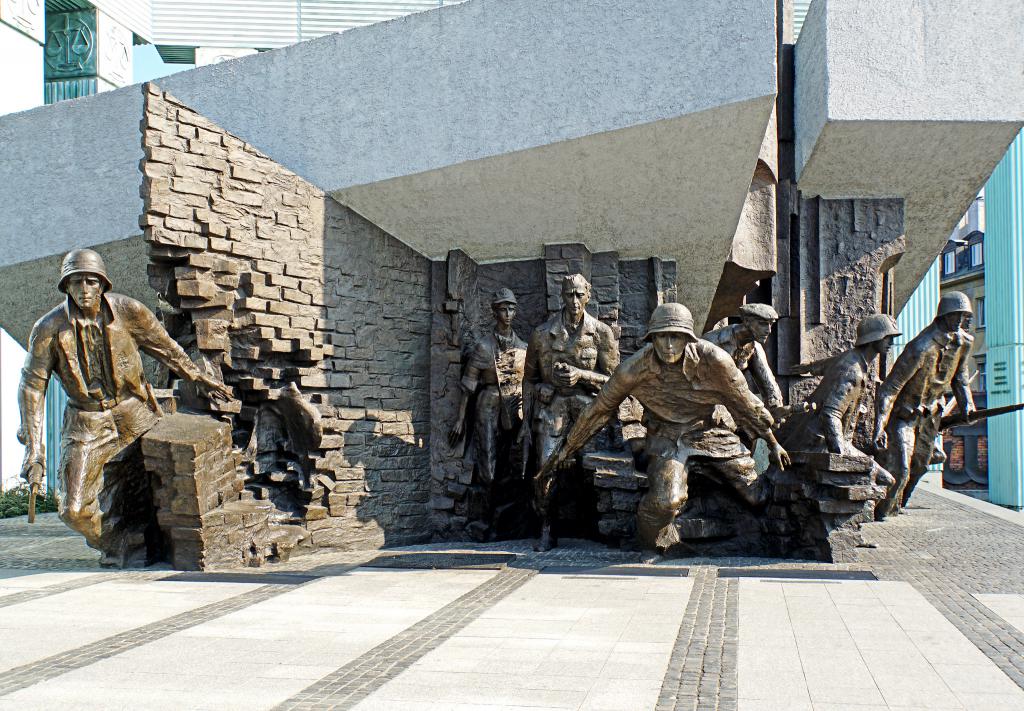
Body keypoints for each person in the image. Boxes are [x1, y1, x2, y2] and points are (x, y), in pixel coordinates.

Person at [18, 248, 230, 564]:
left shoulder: (129, 311)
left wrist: (198, 376)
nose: (84, 289)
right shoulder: (48, 328)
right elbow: (32, 386)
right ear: (66, 287)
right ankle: (127, 543)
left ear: (103, 284)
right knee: (74, 510)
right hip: (87, 420)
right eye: (75, 282)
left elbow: (166, 349)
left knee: (158, 479)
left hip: (134, 410)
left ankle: (163, 543)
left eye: (91, 281)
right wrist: (34, 450)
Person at [543, 302, 790, 554]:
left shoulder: (715, 360)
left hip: (709, 432)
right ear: (652, 338)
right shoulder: (634, 368)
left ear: (688, 339)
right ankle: (653, 544)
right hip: (666, 436)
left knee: (755, 495)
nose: (668, 345)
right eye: (662, 337)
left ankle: (702, 511)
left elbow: (745, 402)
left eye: (675, 337)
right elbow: (598, 410)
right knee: (666, 501)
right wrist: (567, 449)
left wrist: (772, 443)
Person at [520, 274, 619, 551]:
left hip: (590, 410)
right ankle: (546, 528)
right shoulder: (541, 334)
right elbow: (529, 379)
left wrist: (582, 375)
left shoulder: (601, 333)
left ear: (588, 296)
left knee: (596, 467)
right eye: (568, 295)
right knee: (545, 468)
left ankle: (602, 526)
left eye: (579, 295)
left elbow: (615, 381)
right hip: (553, 411)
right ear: (561, 297)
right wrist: (539, 392)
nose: (574, 301)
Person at [873, 292, 975, 519]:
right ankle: (880, 513)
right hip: (905, 416)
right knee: (901, 468)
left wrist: (967, 403)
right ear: (943, 315)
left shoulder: (964, 343)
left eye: (963, 315)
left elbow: (960, 376)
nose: (959, 321)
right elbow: (890, 389)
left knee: (920, 465)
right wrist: (879, 426)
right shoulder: (920, 347)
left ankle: (897, 505)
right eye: (955, 315)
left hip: (931, 415)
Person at [781, 314, 897, 488]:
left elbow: (828, 363)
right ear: (874, 338)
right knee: (886, 479)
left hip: (821, 437)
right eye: (887, 338)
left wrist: (809, 367)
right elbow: (830, 414)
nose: (891, 344)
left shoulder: (853, 357)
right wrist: (841, 458)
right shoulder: (853, 371)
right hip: (820, 442)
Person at [448, 288, 527, 530]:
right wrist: (460, 419)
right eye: (503, 308)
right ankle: (486, 517)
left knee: (515, 465)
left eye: (511, 308)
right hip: (488, 404)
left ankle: (508, 520)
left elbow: (529, 383)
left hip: (516, 406)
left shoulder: (524, 346)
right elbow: (469, 385)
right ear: (494, 312)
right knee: (488, 464)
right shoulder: (483, 347)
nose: (508, 313)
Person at [704, 303, 785, 416]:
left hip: (735, 404)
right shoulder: (713, 342)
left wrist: (776, 407)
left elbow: (768, 382)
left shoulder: (754, 347)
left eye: (771, 324)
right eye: (763, 324)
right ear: (746, 321)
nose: (769, 330)